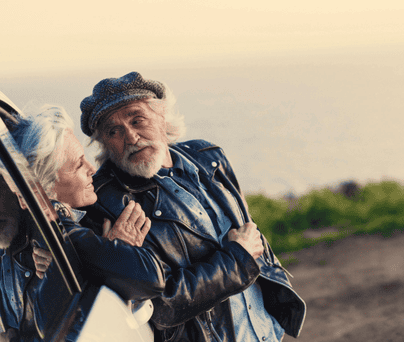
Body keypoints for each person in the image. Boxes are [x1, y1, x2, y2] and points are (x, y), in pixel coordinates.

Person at [80, 71, 306, 342]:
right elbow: (160, 305)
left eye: (137, 119)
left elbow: (249, 231)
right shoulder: (105, 203)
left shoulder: (207, 156)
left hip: (265, 331)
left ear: (161, 116)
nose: (131, 137)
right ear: (104, 143)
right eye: (113, 131)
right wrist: (238, 259)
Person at [0, 105, 166, 341]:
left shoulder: (23, 235)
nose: (92, 169)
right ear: (43, 188)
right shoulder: (63, 236)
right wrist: (114, 252)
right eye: (78, 164)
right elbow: (151, 278)